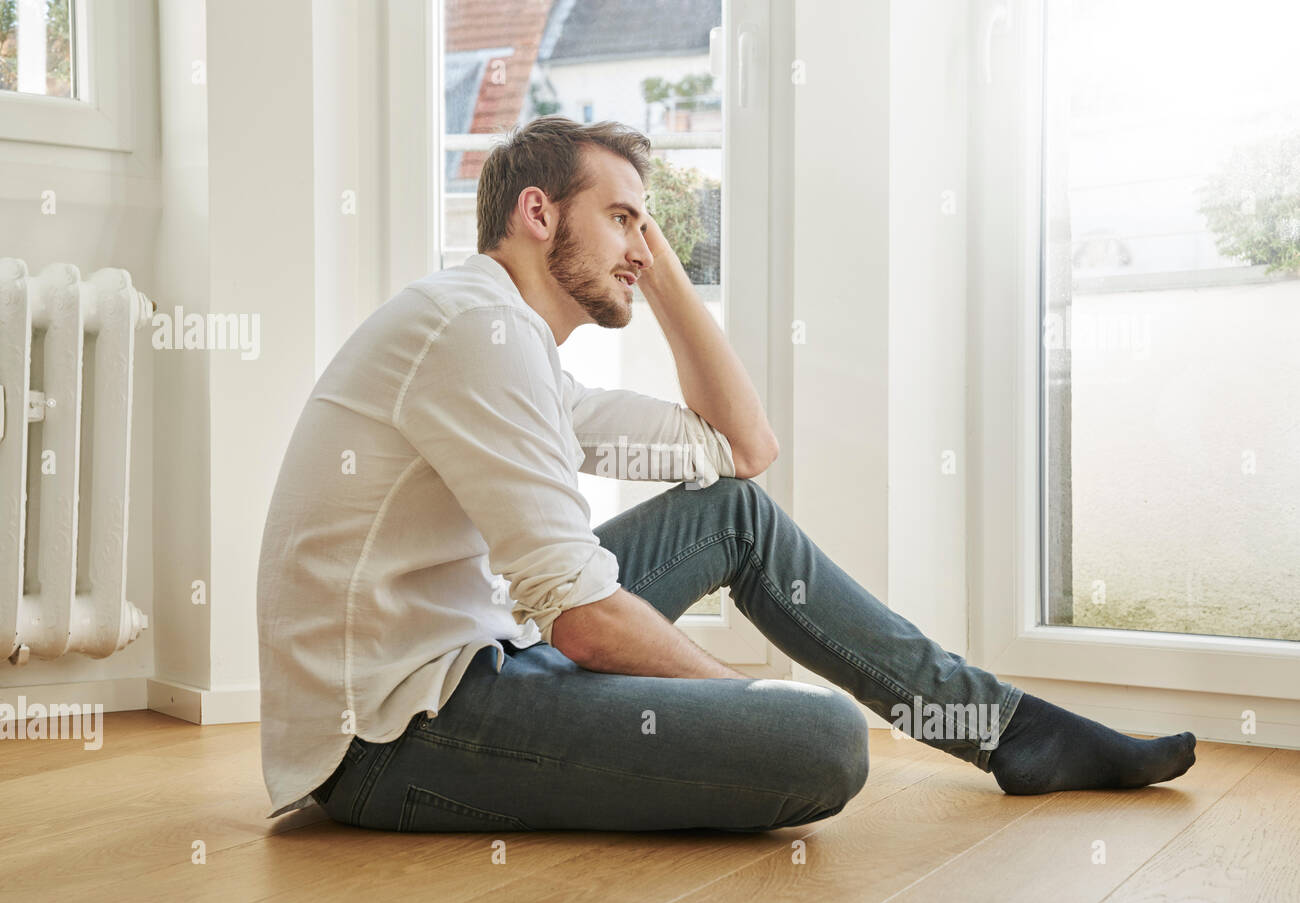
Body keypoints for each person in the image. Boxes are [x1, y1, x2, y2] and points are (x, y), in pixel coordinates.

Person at [256, 116, 1197, 832]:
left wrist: (658, 276)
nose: (639, 242)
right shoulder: (479, 329)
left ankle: (1006, 725)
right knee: (819, 739)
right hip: (384, 739)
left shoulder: (515, 348)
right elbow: (579, 618)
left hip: (473, 665)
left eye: (645, 228)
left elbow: (741, 452)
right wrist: (741, 699)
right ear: (537, 213)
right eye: (622, 217)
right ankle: (984, 727)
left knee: (733, 514)